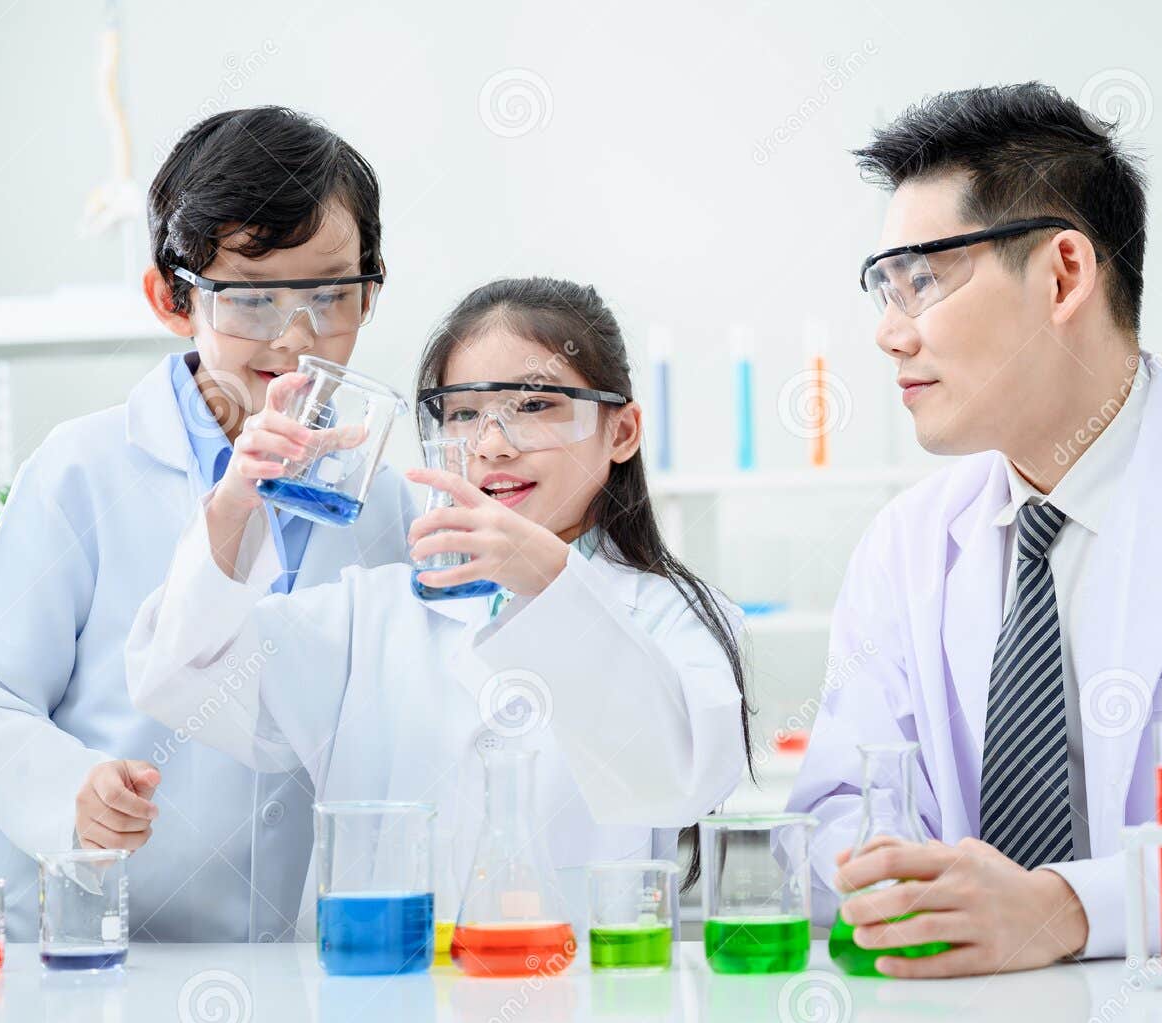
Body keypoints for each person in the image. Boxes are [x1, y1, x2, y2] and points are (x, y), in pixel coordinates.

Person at [787, 83, 1162, 976]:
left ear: (1065, 273)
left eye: (919, 280)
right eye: (882, 287)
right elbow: (841, 801)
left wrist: (1063, 909)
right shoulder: (904, 545)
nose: (889, 333)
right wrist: (885, 872)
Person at [126, 276, 752, 931]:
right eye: (462, 412)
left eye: (535, 404)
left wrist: (551, 579)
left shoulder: (677, 615)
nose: (492, 445)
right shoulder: (369, 616)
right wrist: (236, 499)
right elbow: (179, 674)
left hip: (585, 1007)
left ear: (622, 430)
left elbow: (677, 779)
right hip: (380, 1004)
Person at [0, 107, 417, 942]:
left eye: (331, 294)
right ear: (171, 297)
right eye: (252, 298)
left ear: (370, 292)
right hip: (101, 944)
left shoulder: (389, 504)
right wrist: (73, 791)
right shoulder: (81, 471)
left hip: (302, 955)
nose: (297, 337)